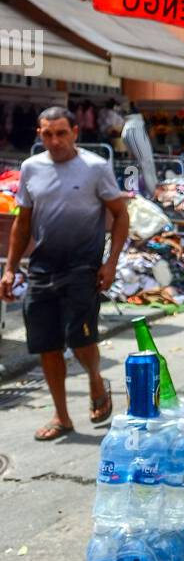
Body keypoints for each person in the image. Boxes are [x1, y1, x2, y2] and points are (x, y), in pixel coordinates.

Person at [0, 107, 130, 441]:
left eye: (61, 133)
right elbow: (22, 222)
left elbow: (120, 215)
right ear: (39, 134)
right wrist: (11, 268)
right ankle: (62, 416)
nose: (54, 141)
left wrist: (111, 262)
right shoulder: (31, 168)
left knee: (80, 337)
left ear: (75, 131)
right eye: (47, 134)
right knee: (47, 345)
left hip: (83, 266)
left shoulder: (95, 167)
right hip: (43, 267)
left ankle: (96, 379)